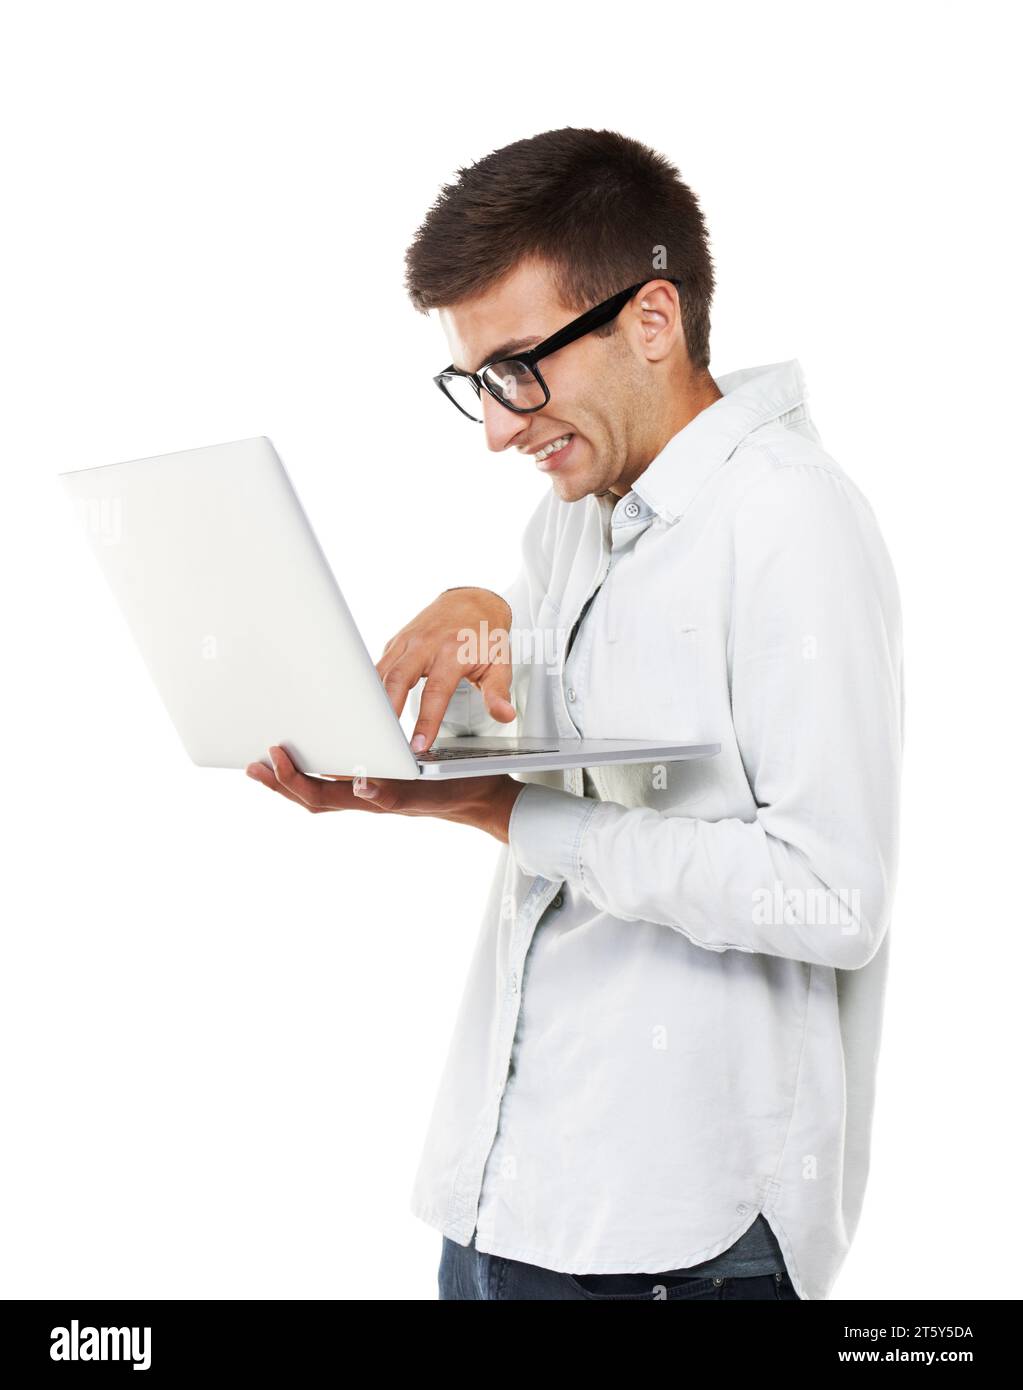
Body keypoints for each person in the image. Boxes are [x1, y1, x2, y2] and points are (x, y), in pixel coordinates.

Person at [246, 127, 903, 1301]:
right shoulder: (584, 511)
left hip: (676, 1235)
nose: (500, 427)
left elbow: (834, 891)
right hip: (509, 1189)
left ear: (653, 322)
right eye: (479, 385)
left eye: (518, 369)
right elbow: (590, 766)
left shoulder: (792, 522)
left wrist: (513, 813)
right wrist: (434, 732)